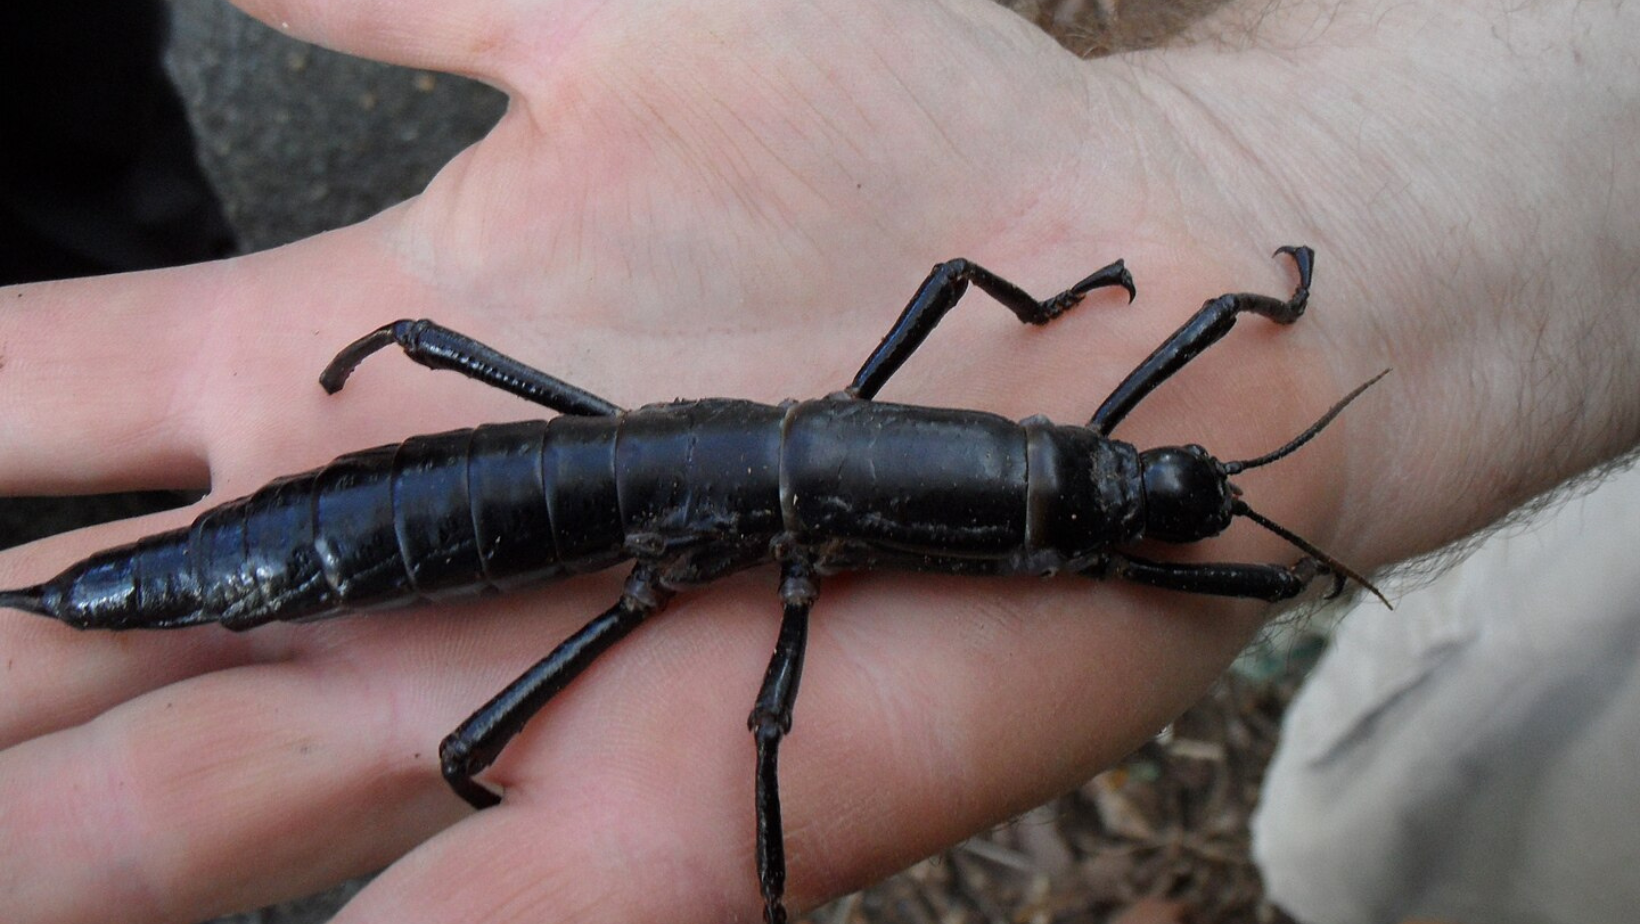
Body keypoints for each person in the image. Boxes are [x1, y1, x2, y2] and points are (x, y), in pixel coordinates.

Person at [0, 0, 1633, 922]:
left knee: (494, 711)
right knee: (524, 714)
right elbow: (1159, 427)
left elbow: (1181, 397)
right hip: (459, 516)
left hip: (576, 493)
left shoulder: (1019, 480)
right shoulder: (1037, 512)